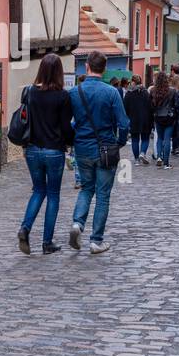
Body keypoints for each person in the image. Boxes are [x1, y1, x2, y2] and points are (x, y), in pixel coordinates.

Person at [69, 50, 130, 254]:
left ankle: (77, 224)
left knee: (86, 188)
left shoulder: (75, 92)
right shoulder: (111, 92)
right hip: (105, 149)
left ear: (87, 66)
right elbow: (123, 123)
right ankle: (96, 241)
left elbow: (68, 123)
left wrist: (73, 141)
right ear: (104, 69)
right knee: (103, 195)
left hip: (82, 148)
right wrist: (118, 143)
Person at [17, 53, 75, 255]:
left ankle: (25, 228)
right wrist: (71, 142)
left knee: (38, 190)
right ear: (59, 72)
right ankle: (47, 242)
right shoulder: (62, 96)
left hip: (32, 149)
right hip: (53, 150)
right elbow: (66, 127)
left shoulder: (31, 92)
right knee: (53, 195)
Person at [150, 71, 179, 168]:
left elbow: (151, 105)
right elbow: (176, 105)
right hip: (169, 117)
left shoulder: (153, 90)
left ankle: (159, 156)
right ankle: (166, 162)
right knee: (167, 139)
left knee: (160, 138)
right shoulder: (172, 91)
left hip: (158, 116)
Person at [123, 75, 153, 165]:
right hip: (145, 119)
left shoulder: (129, 94)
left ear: (133, 82)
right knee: (145, 138)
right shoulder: (146, 93)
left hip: (133, 120)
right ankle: (143, 153)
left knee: (135, 140)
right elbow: (150, 107)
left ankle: (136, 160)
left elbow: (124, 108)